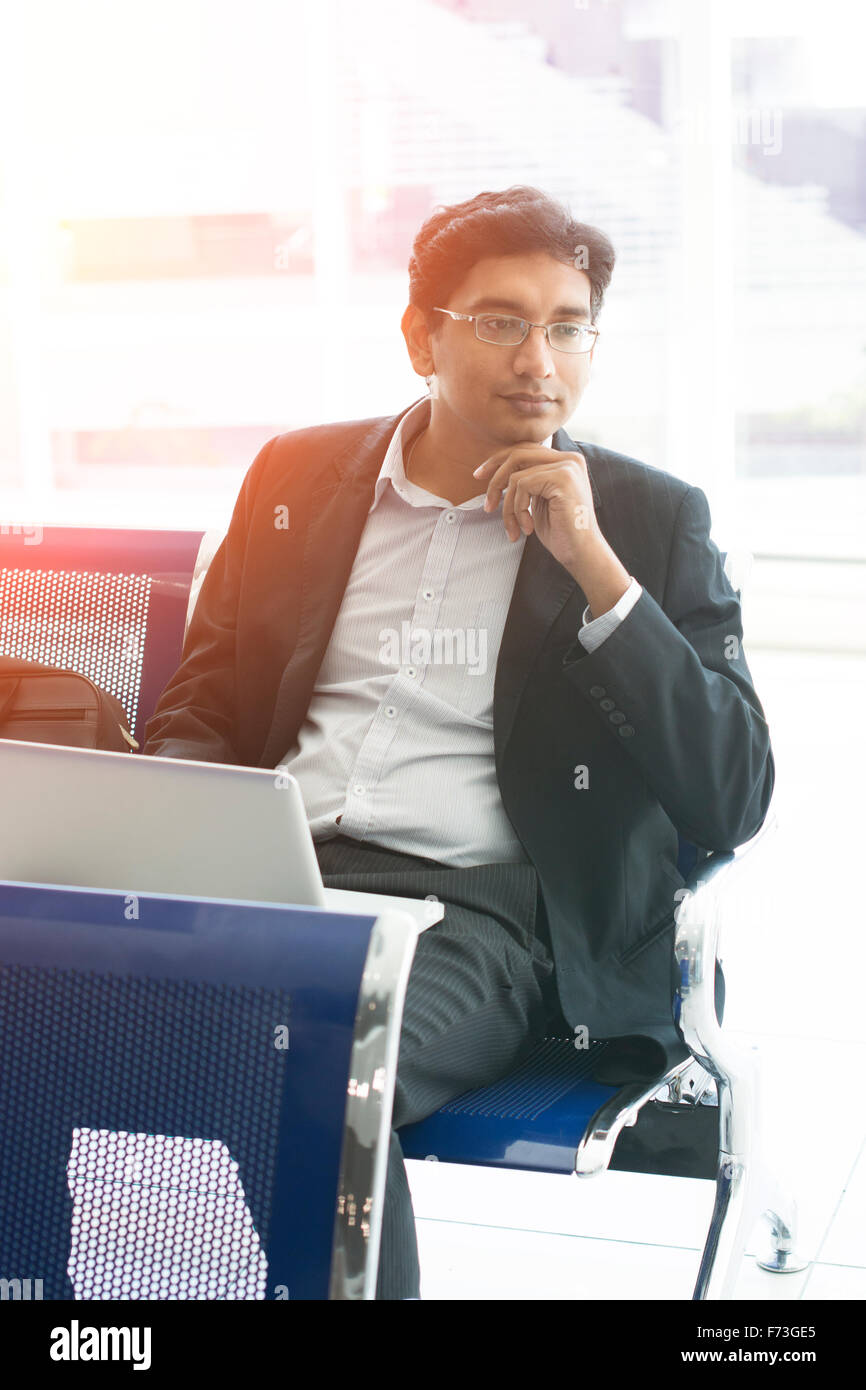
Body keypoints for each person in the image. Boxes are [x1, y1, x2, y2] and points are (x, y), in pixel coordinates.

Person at [142, 185, 774, 1299]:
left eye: (567, 325)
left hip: (469, 918)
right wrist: (184, 830)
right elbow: (205, 703)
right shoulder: (297, 476)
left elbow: (730, 794)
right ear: (417, 334)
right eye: (499, 320)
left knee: (314, 1067)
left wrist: (597, 574)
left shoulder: (646, 520)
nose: (540, 357)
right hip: (270, 882)